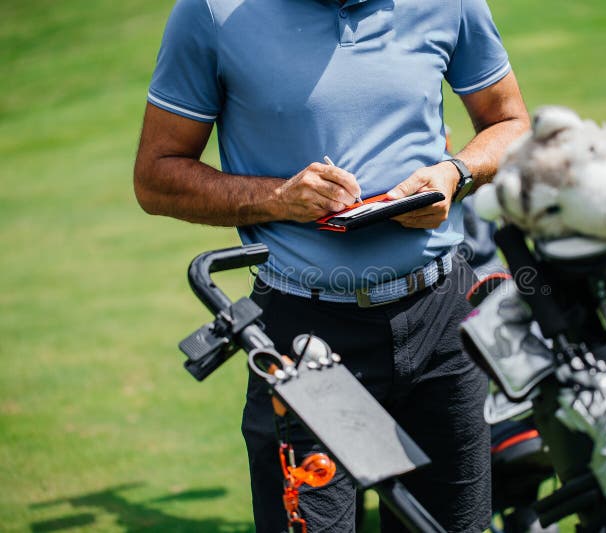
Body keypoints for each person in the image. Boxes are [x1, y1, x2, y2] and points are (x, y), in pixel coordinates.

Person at [134, 0, 529, 531]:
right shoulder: (211, 12)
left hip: (444, 324)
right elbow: (156, 175)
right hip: (306, 336)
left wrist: (456, 173)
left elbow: (510, 124)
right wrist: (278, 197)